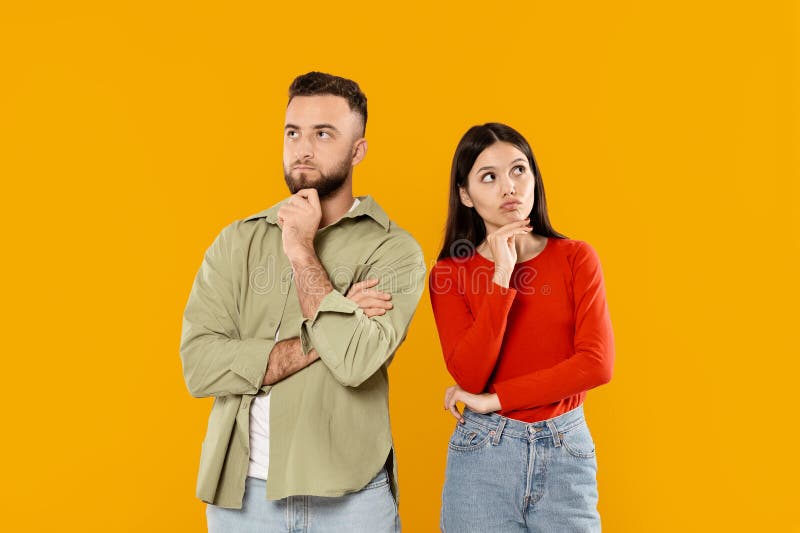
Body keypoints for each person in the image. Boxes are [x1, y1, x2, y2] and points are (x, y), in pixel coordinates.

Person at [180, 71, 425, 533]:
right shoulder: (238, 241)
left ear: (358, 151)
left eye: (323, 133)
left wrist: (300, 250)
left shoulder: (394, 250)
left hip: (352, 500)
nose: (303, 148)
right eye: (293, 132)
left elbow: (354, 362)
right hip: (243, 501)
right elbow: (199, 365)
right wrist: (326, 330)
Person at [429, 123, 615, 532]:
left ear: (534, 177)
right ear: (465, 194)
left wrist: (497, 400)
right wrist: (501, 276)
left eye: (518, 170)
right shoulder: (450, 273)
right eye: (489, 177)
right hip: (482, 458)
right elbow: (470, 375)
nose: (508, 187)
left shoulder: (576, 259)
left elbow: (597, 365)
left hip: (565, 450)